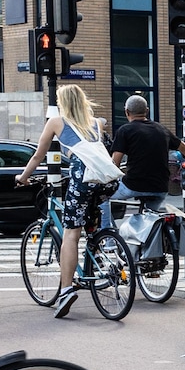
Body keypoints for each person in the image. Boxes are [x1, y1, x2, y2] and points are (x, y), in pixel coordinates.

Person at [13, 84, 110, 318]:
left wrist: (23, 177)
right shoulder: (97, 123)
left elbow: (38, 155)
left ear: (62, 103)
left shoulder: (56, 122)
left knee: (71, 234)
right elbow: (104, 131)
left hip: (81, 175)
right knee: (91, 221)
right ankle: (98, 253)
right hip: (105, 179)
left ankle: (66, 289)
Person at [107, 93, 185, 220]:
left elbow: (115, 164)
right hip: (160, 187)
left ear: (127, 112)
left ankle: (108, 235)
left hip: (134, 185)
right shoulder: (161, 129)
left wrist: (106, 180)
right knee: (150, 219)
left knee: (101, 196)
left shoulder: (125, 130)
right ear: (147, 111)